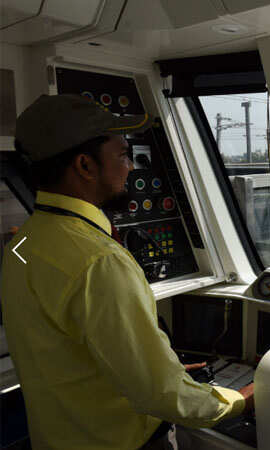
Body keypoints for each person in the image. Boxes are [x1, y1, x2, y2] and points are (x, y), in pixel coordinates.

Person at [0, 95, 254, 449]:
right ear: (85, 166)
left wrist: (163, 371)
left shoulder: (24, 241)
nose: (131, 167)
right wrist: (242, 398)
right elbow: (162, 395)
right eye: (122, 155)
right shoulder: (99, 261)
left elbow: (69, 352)